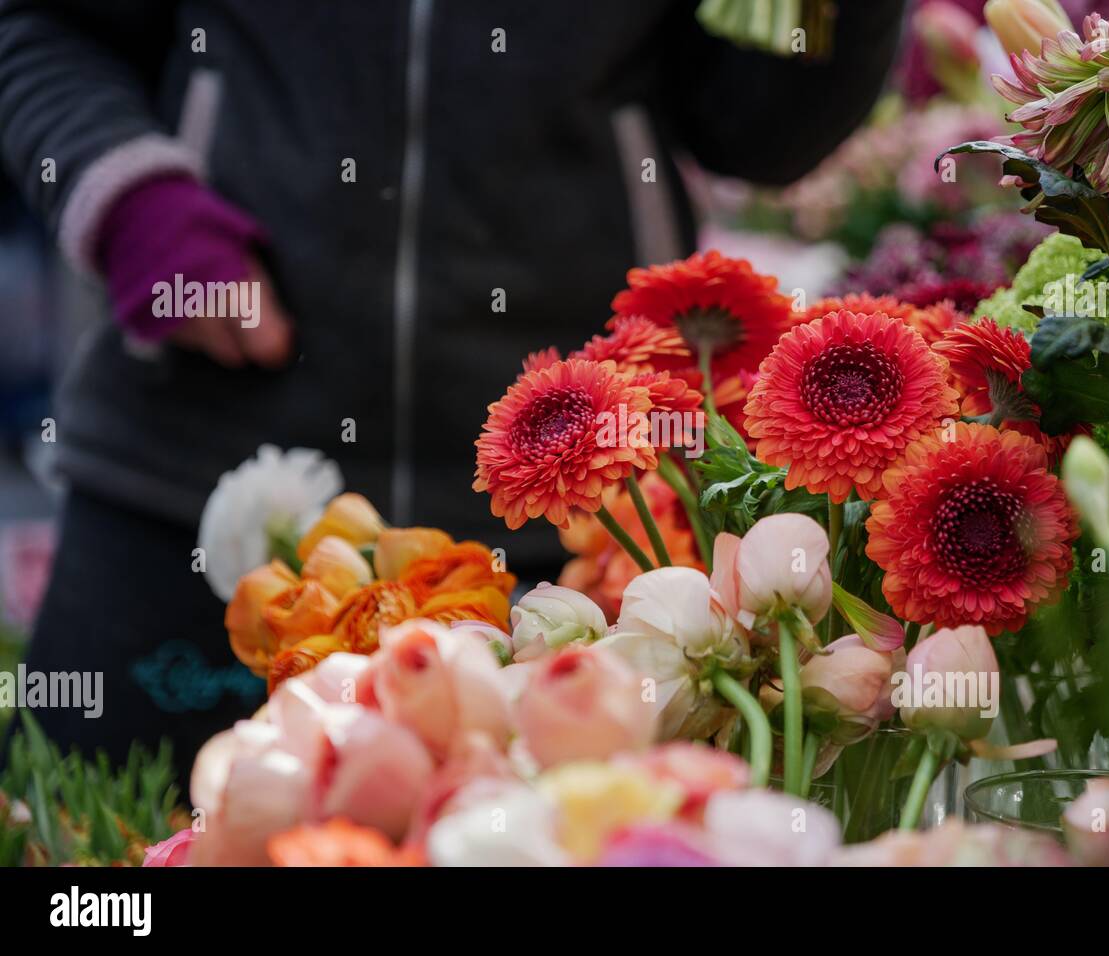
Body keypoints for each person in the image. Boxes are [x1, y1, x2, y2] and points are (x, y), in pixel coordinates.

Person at [0, 0, 906, 781]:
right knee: (88, 860)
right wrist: (127, 196)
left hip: (576, 526)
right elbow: (42, 25)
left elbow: (759, 130)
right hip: (192, 492)